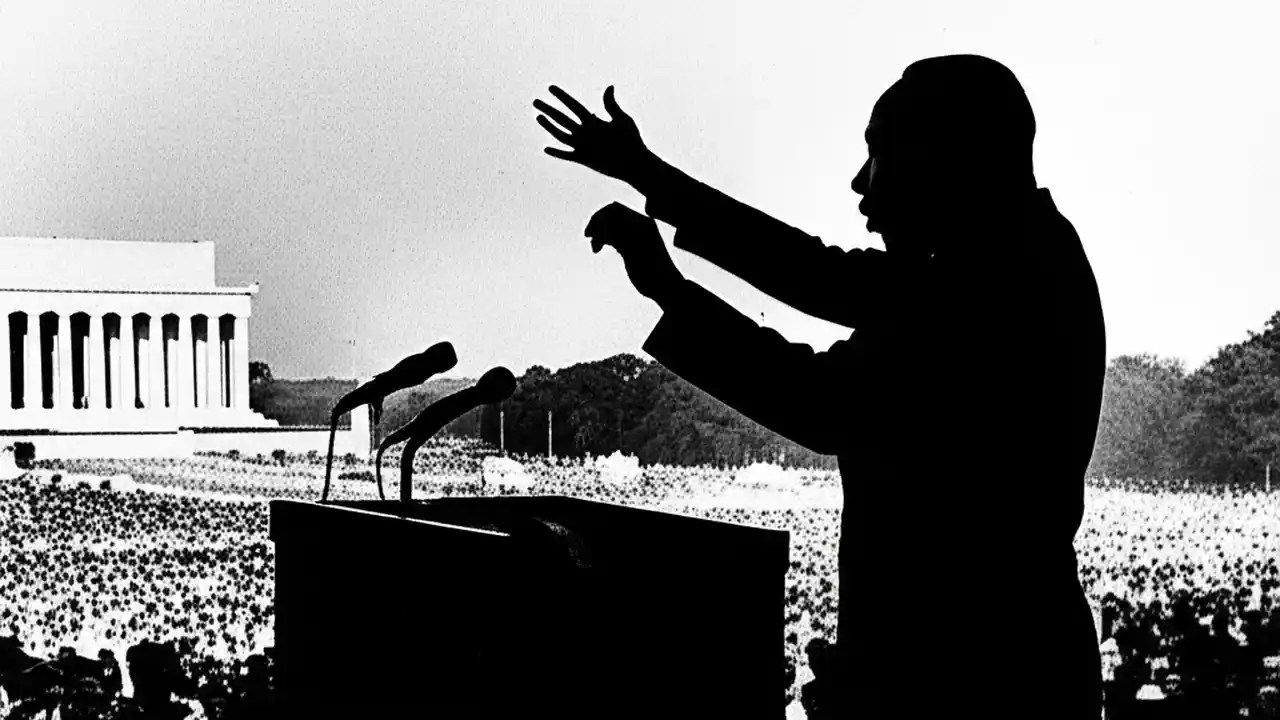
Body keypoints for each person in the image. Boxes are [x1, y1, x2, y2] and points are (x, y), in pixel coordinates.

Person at [535, 53, 1106, 717]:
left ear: (945, 159)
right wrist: (647, 176)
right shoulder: (1011, 258)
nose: (861, 184)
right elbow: (819, 275)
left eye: (880, 154)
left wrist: (666, 281)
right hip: (995, 667)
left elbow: (819, 394)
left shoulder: (992, 286)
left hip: (970, 684)